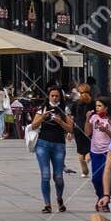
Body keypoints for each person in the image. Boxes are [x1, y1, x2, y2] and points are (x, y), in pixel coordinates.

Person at [31, 86, 74, 214]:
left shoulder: (65, 109)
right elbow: (33, 126)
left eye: (57, 96)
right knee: (45, 175)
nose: (54, 98)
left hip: (58, 145)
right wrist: (42, 118)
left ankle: (59, 198)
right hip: (42, 144)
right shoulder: (42, 109)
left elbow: (70, 129)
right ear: (48, 96)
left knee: (58, 176)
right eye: (52, 96)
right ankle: (47, 204)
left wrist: (60, 121)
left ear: (60, 97)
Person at [88, 97, 111, 203]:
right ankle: (101, 196)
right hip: (95, 151)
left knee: (104, 176)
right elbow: (87, 132)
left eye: (99, 106)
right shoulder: (94, 117)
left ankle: (104, 199)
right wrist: (87, 119)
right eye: (96, 106)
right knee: (95, 178)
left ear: (106, 107)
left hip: (107, 151)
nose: (97, 108)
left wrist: (106, 130)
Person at [71, 84, 95, 176]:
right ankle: (88, 158)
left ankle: (83, 167)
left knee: (80, 149)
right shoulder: (93, 103)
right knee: (90, 147)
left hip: (78, 127)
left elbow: (72, 117)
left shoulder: (76, 103)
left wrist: (70, 131)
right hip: (89, 127)